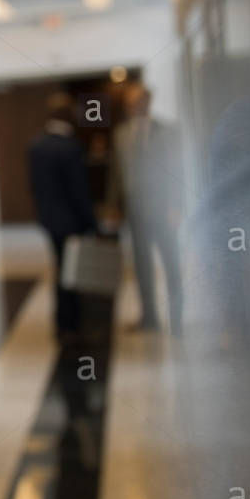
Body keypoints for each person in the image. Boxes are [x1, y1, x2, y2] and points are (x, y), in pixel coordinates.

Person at [105, 81, 184, 334]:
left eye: (137, 102)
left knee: (171, 263)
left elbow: (177, 171)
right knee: (142, 266)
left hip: (163, 209)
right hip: (136, 210)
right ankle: (149, 318)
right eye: (128, 103)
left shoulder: (168, 132)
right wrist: (113, 205)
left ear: (148, 102)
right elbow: (116, 174)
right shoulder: (121, 134)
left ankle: (177, 318)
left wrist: (177, 206)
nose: (132, 107)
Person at [28, 93, 98, 342]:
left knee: (61, 272)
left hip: (50, 222)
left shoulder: (37, 145)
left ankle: (63, 324)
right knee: (72, 276)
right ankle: (72, 327)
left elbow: (36, 188)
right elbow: (79, 192)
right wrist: (92, 222)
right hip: (71, 223)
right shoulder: (70, 147)